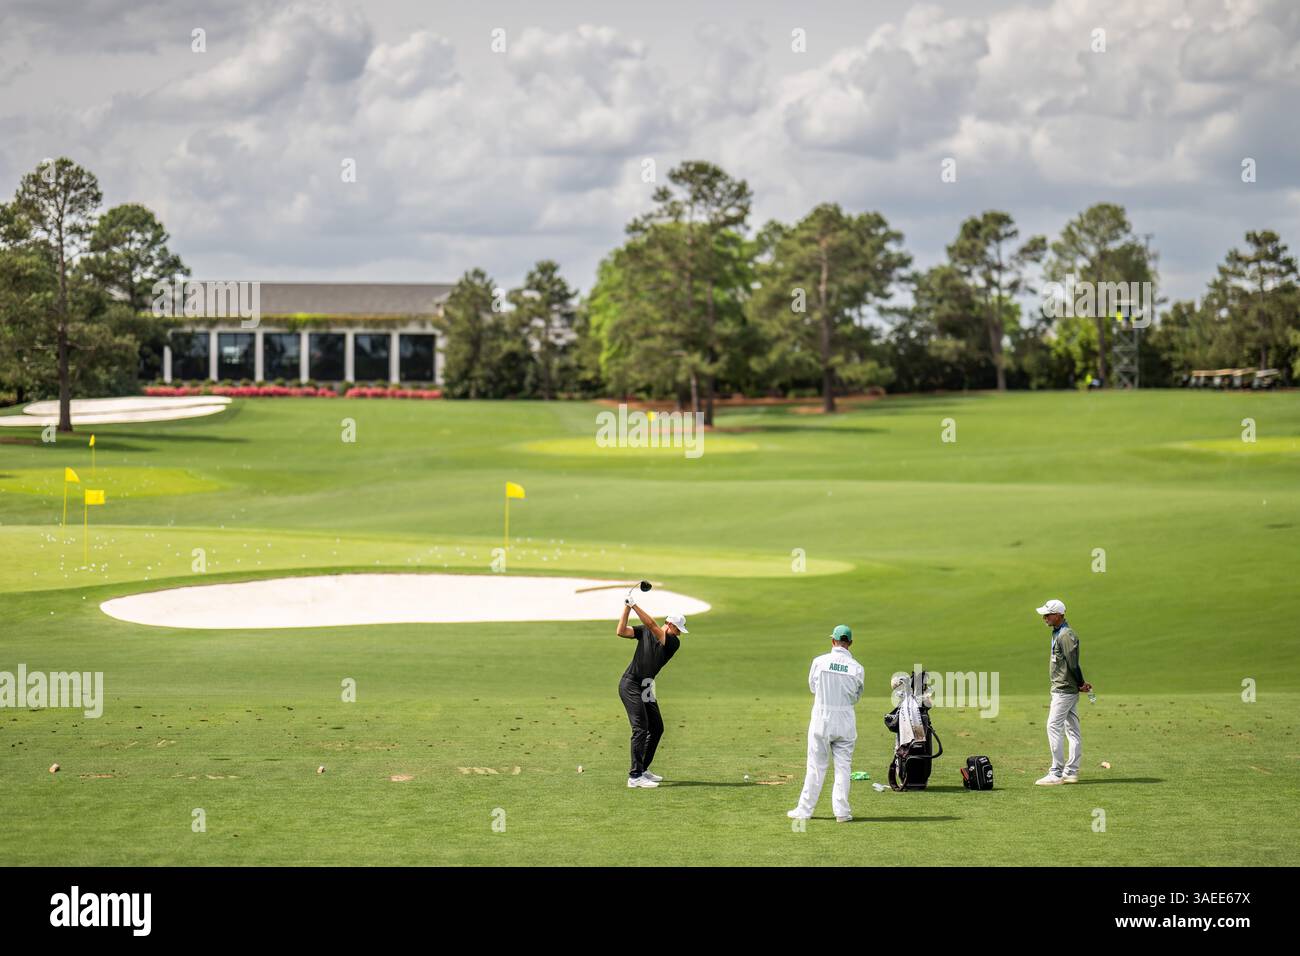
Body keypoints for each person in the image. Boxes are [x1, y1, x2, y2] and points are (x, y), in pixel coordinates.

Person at [788, 625, 864, 822]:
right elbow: (856, 696)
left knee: (815, 766)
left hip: (822, 718)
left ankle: (804, 811)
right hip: (845, 720)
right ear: (851, 643)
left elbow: (813, 687)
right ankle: (842, 812)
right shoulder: (857, 668)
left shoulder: (819, 662)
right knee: (843, 767)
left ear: (833, 641)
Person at [616, 599, 687, 789]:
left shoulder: (672, 642)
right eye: (678, 629)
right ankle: (635, 776)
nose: (679, 633)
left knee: (657, 728)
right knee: (640, 728)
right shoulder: (646, 631)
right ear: (670, 624)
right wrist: (626, 607)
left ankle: (643, 768)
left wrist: (634, 605)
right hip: (630, 683)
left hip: (646, 686)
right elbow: (621, 631)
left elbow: (652, 625)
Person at [1034, 599, 1092, 786]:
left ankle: (1056, 773)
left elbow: (1073, 663)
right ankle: (1071, 772)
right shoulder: (1059, 632)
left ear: (1059, 615)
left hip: (1063, 691)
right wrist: (1080, 684)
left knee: (1053, 726)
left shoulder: (1065, 635)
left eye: (1048, 614)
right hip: (1067, 689)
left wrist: (1081, 683)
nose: (1045, 618)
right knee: (1072, 729)